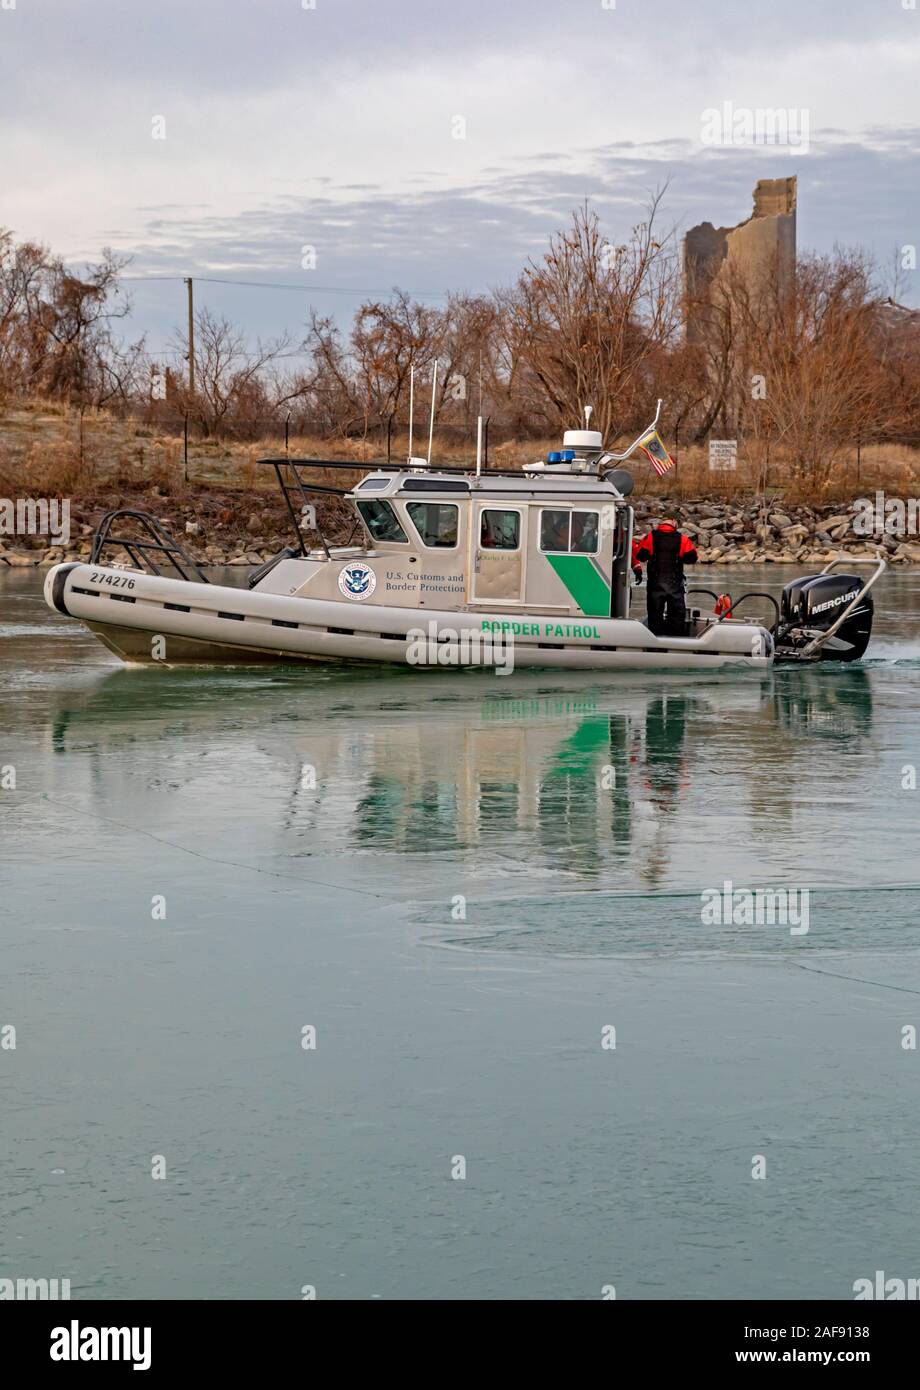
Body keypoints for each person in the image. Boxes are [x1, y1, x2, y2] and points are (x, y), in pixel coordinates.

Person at [632, 517, 698, 636]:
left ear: (662, 523)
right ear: (674, 522)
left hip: (655, 585)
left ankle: (655, 646)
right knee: (677, 617)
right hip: (675, 585)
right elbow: (692, 558)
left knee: (655, 617)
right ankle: (676, 644)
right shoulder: (682, 539)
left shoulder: (651, 537)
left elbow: (641, 555)